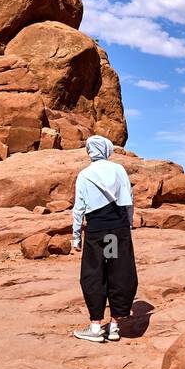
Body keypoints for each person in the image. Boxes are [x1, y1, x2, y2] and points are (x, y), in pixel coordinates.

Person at [71, 135, 137, 343]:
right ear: (107, 150)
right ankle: (115, 326)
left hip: (97, 232)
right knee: (116, 272)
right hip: (116, 231)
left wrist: (76, 238)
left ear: (90, 151)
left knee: (94, 275)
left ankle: (95, 327)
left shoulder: (85, 174)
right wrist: (128, 224)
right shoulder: (118, 169)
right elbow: (129, 200)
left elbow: (78, 209)